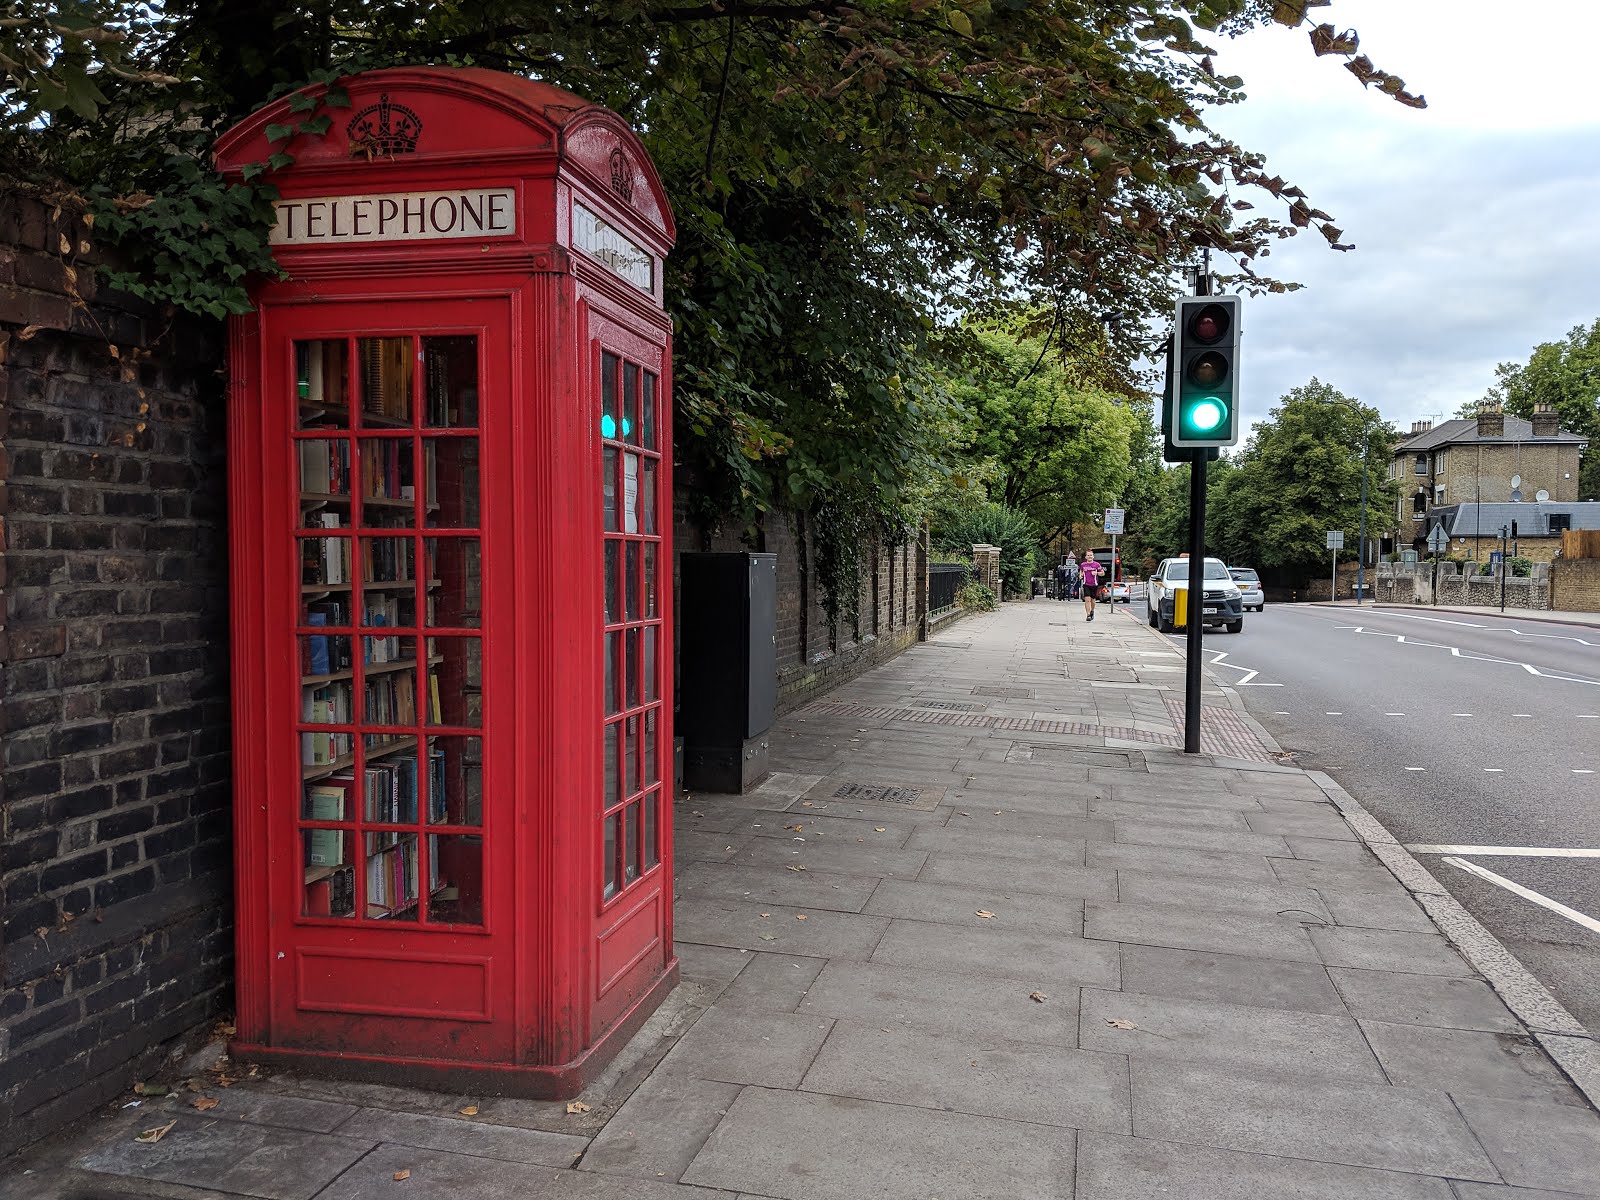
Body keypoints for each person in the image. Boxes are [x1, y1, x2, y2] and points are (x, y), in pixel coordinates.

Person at [1079, 551, 1104, 621]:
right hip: (1086, 584)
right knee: (1087, 600)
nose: (1089, 557)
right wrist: (1080, 575)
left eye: (1091, 555)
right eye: (1088, 555)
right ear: (1086, 557)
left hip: (1094, 584)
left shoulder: (1096, 564)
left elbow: (1102, 573)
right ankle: (1088, 615)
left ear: (1093, 556)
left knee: (1093, 600)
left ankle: (1092, 610)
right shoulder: (1083, 565)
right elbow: (1081, 571)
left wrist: (1097, 573)